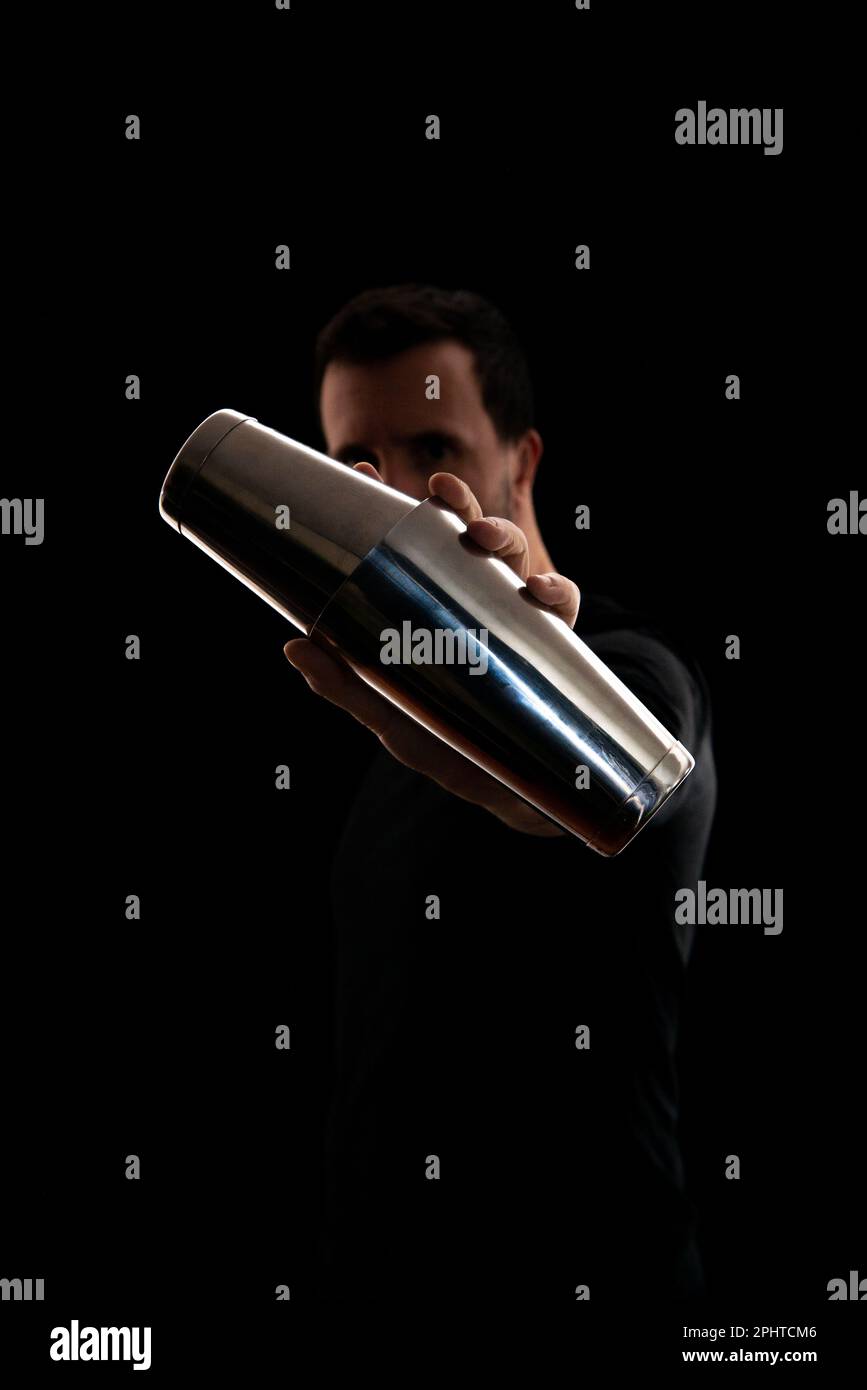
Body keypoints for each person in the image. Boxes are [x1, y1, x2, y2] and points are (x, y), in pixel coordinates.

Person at [283, 284, 718, 1311]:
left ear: (522, 463)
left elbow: (626, 777)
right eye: (357, 466)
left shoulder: (632, 674)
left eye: (434, 448)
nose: (397, 496)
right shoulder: (388, 743)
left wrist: (548, 704)